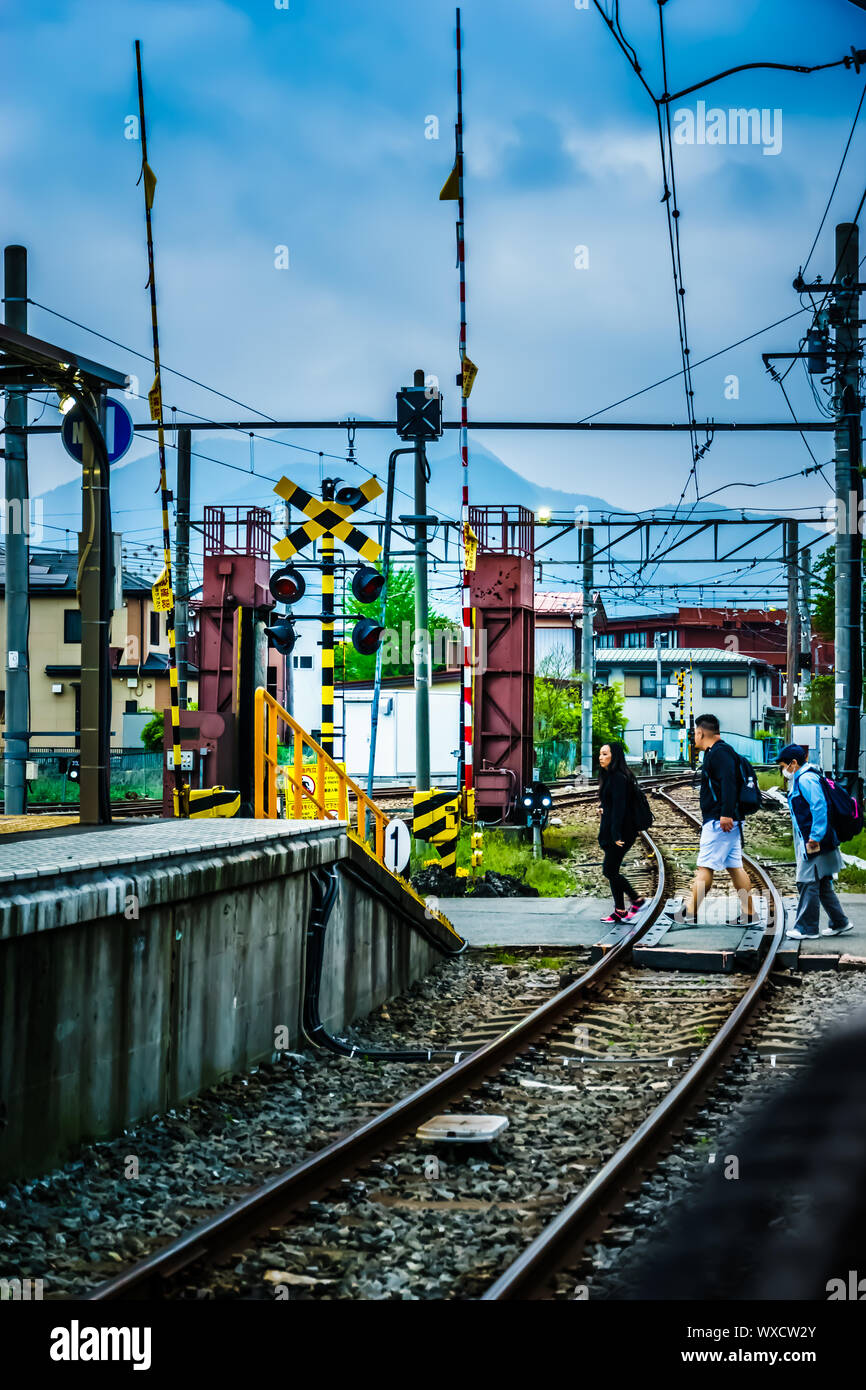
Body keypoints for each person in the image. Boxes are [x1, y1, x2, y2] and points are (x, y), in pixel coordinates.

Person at [672, 712, 756, 925]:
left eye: (695, 734)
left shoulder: (719, 753)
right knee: (735, 866)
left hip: (720, 821)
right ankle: (749, 913)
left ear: (700, 732)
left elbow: (728, 782)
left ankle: (689, 913)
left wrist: (725, 813)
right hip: (725, 819)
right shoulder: (721, 752)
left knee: (704, 867)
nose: (694, 738)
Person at [775, 742, 852, 941]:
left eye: (784, 766)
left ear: (793, 763)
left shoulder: (806, 779)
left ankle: (806, 928)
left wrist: (814, 837)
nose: (783, 771)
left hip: (815, 841)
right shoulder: (806, 777)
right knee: (823, 883)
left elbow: (819, 807)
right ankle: (840, 921)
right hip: (816, 839)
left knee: (807, 882)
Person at [598, 741, 646, 924]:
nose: (600, 758)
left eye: (605, 754)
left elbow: (620, 807)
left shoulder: (618, 778)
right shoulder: (610, 776)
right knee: (612, 871)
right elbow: (612, 804)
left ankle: (636, 899)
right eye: (600, 754)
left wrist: (616, 834)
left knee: (609, 870)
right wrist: (603, 808)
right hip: (615, 830)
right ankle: (619, 910)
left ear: (614, 756)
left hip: (621, 832)